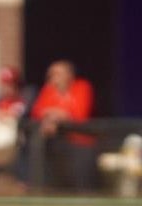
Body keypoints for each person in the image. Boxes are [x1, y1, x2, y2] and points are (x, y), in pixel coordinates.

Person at [31, 60, 97, 191]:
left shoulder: (82, 87)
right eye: (51, 74)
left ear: (69, 75)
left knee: (82, 185)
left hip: (80, 143)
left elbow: (80, 114)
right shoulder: (49, 89)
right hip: (57, 144)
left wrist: (55, 115)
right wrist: (55, 117)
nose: (53, 78)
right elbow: (37, 112)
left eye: (57, 74)